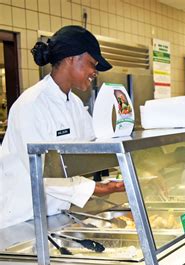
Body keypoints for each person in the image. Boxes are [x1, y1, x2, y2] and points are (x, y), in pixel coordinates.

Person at [0, 25, 125, 229]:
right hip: (22, 219)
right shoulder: (32, 105)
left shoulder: (74, 104)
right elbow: (41, 172)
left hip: (55, 215)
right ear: (71, 58)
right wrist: (96, 188)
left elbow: (94, 147)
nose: (94, 72)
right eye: (91, 64)